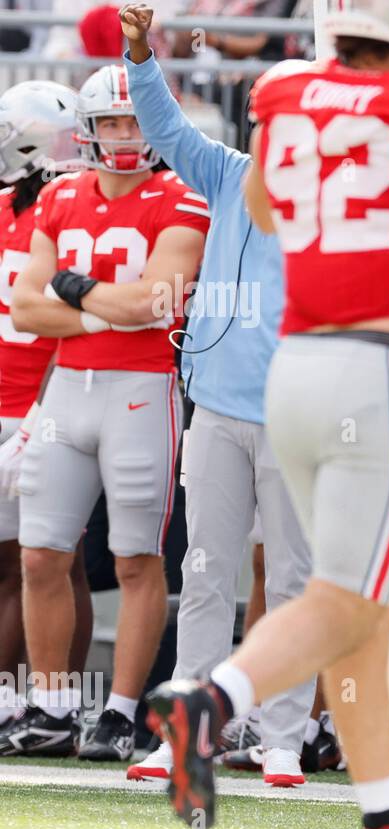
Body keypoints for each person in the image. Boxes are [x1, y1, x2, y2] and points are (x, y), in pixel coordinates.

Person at [146, 0, 389, 829]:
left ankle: (388, 823)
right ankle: (206, 702)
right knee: (344, 598)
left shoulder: (283, 91)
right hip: (382, 370)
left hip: (294, 370)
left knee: (366, 612)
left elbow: (269, 210)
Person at [116, 3, 317, 788]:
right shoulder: (228, 173)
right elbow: (165, 131)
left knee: (294, 582)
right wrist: (139, 55)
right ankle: (183, 733)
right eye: (265, 115)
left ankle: (283, 738)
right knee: (205, 571)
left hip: (298, 421)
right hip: (219, 413)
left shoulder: (337, 205)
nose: (271, 128)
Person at [5, 63, 209, 761]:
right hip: (68, 390)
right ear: (89, 131)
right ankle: (53, 705)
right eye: (112, 122)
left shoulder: (182, 196)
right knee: (39, 555)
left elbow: (158, 302)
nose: (125, 135)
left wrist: (75, 291)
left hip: (141, 390)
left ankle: (121, 712)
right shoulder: (62, 196)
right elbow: (28, 309)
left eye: (135, 120)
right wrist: (104, 308)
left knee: (135, 560)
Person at [0, 80, 95, 738]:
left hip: (45, 401)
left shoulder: (70, 214)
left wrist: (40, 412)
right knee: (21, 559)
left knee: (50, 558)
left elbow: (76, 324)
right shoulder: (9, 206)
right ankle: (22, 699)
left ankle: (55, 702)